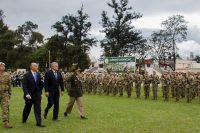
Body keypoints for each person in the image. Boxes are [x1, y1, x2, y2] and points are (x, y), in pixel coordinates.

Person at [22, 63, 45, 127]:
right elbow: (24, 86)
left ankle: (39, 123)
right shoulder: (26, 75)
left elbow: (40, 84)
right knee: (27, 108)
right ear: (31, 67)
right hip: (29, 95)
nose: (37, 67)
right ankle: (24, 119)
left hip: (37, 95)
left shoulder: (38, 74)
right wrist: (26, 94)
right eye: (35, 66)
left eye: (37, 66)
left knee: (38, 108)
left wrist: (40, 92)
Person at [0, 62, 13, 128]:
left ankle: (6, 123)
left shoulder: (7, 74)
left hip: (5, 93)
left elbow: (9, 84)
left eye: (3, 66)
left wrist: (10, 94)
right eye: (1, 66)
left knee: (5, 108)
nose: (3, 67)